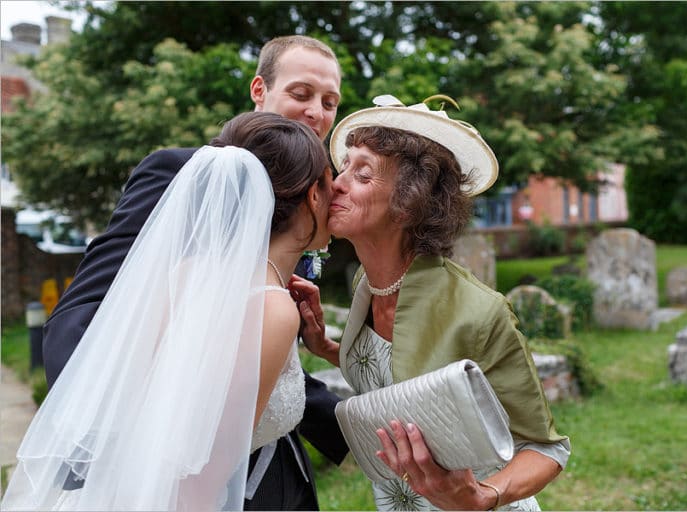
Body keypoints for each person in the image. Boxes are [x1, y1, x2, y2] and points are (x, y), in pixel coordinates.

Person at [40, 35, 347, 510]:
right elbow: (84, 310)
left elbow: (247, 357)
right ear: (260, 90)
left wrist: (348, 429)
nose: (316, 113)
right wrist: (101, 443)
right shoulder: (184, 175)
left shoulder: (307, 206)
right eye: (301, 93)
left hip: (274, 465)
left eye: (329, 102)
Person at [293, 95, 571, 511]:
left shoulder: (480, 312)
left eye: (362, 174)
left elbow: (546, 448)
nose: (336, 183)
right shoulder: (366, 284)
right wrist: (329, 348)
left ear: (409, 203)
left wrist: (483, 496)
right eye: (344, 166)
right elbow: (400, 376)